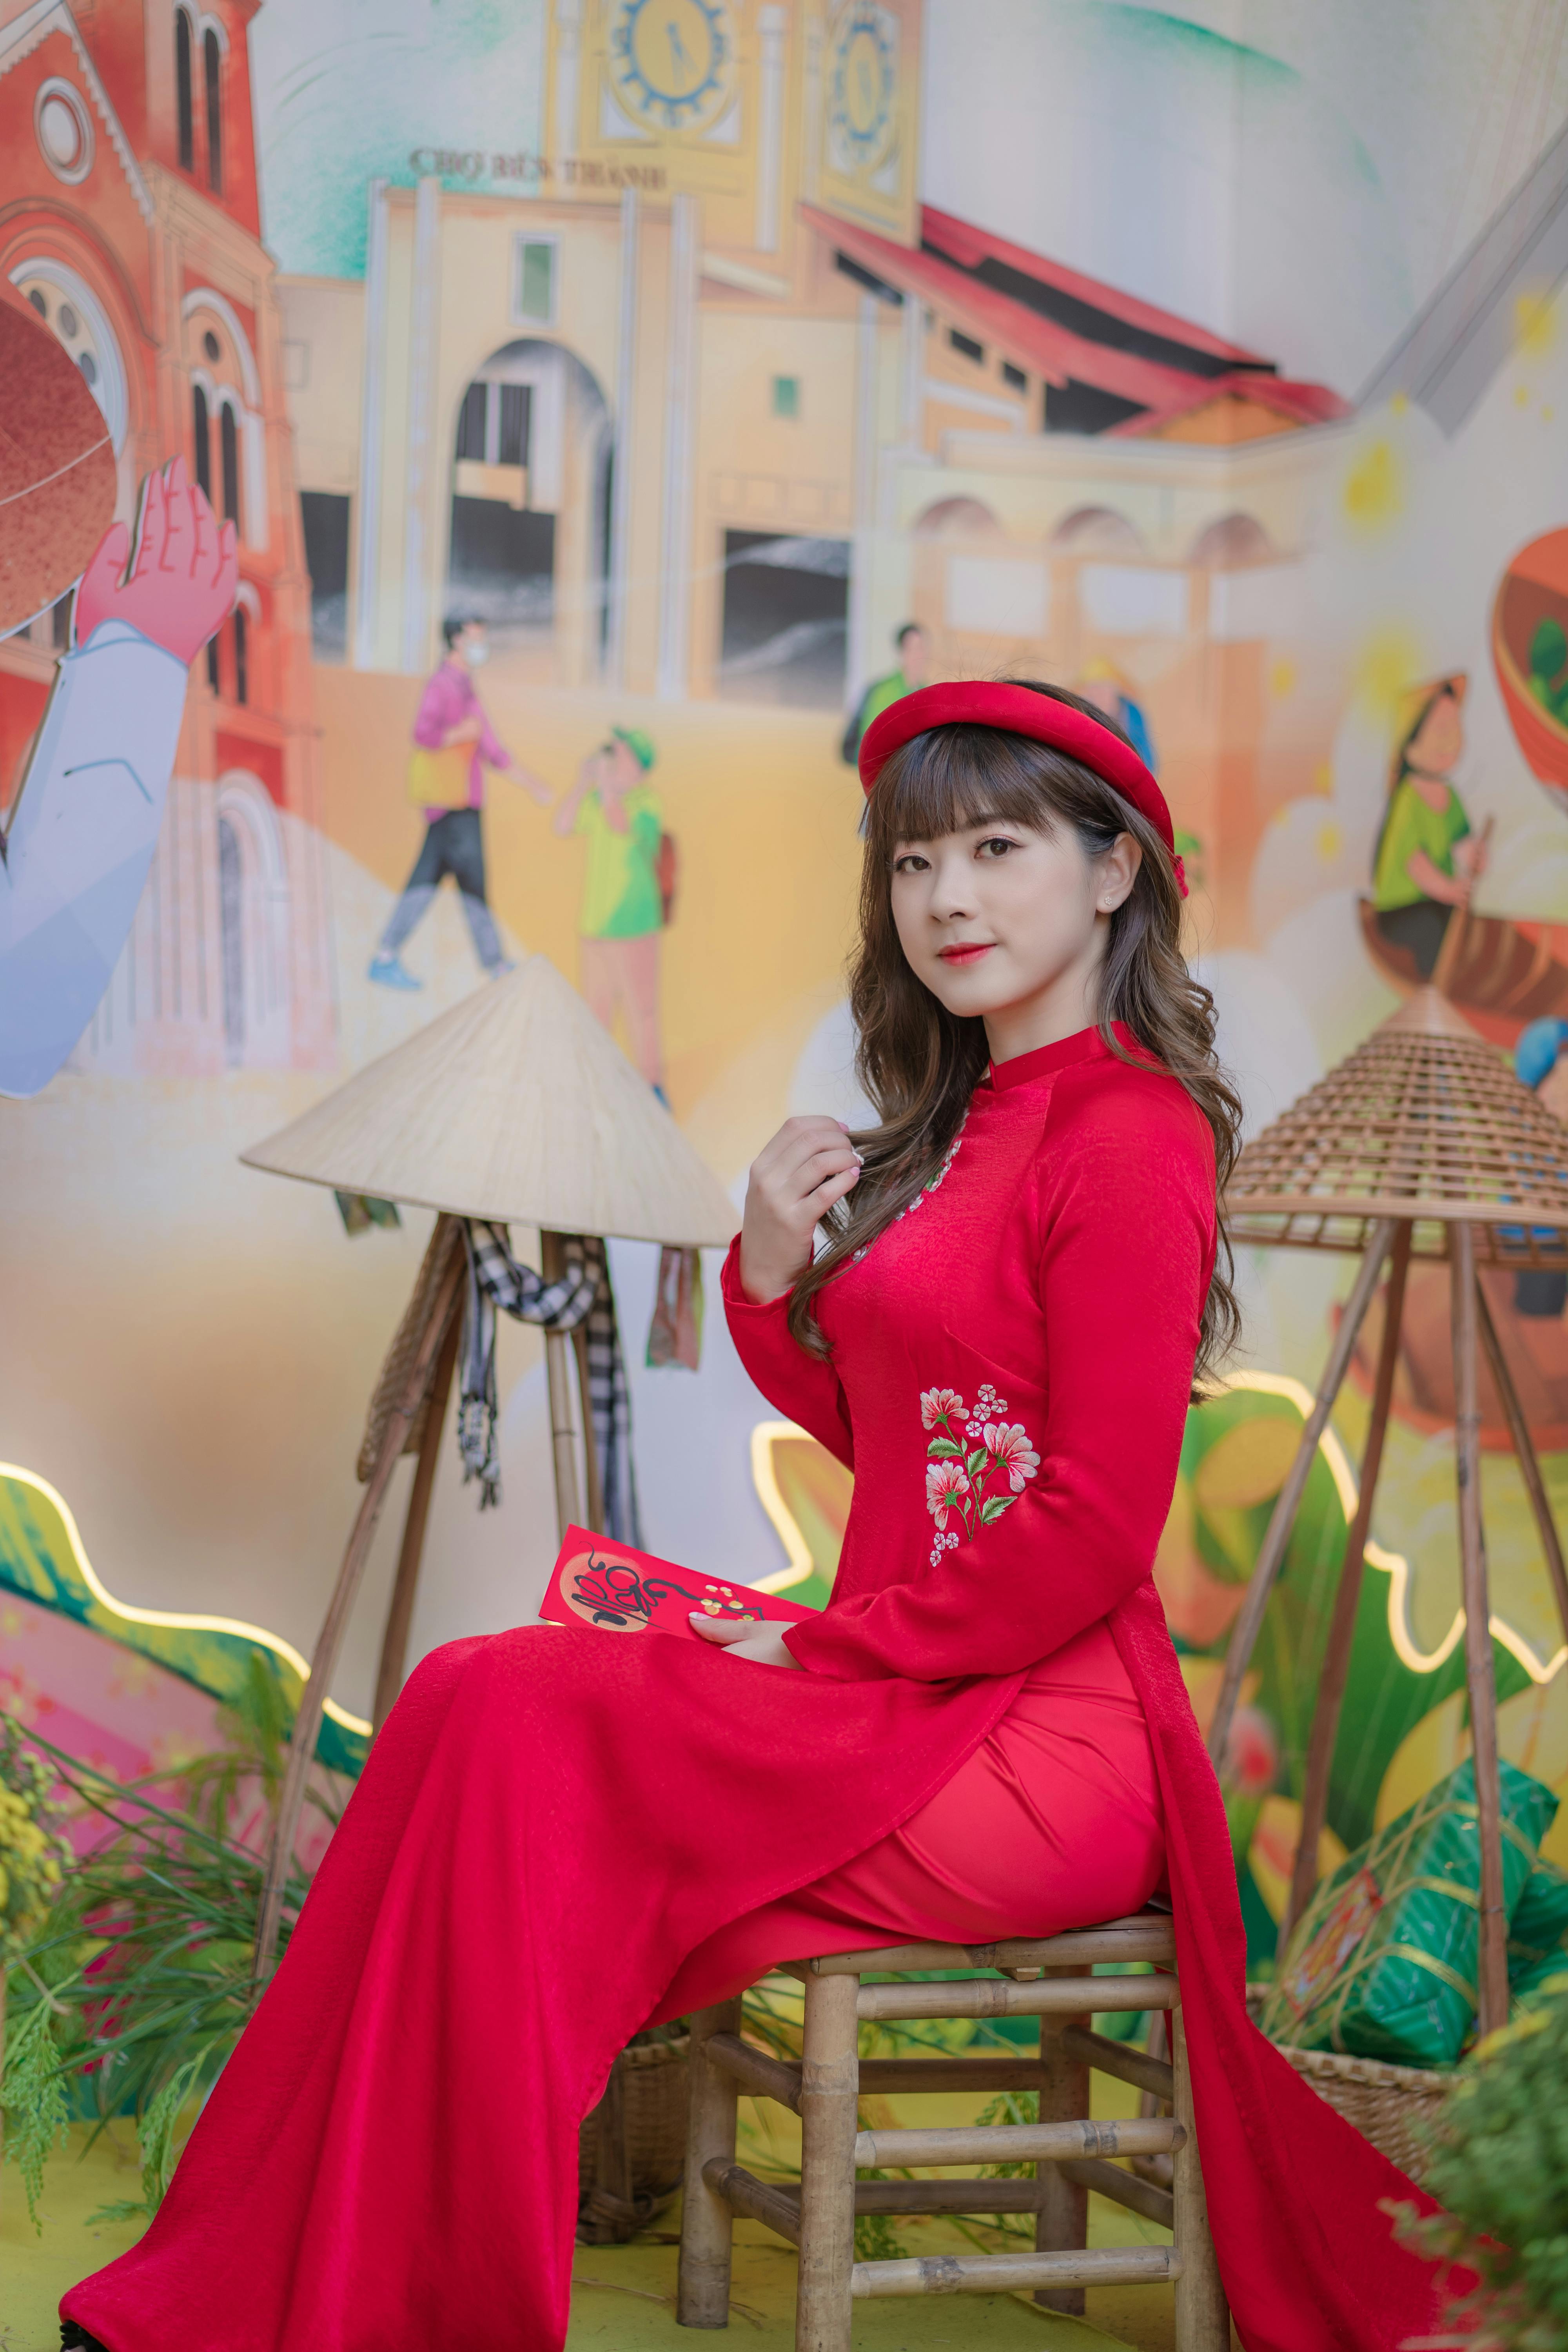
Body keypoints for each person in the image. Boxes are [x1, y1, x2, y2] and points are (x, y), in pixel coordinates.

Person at [61, 680, 1445, 2352]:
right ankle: (280, 2282)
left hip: (1037, 1736)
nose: (944, 896)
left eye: (996, 847)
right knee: (459, 1706)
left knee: (503, 1710)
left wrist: (827, 1644)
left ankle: (381, 2300)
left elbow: (1085, 1523)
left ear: (1111, 871)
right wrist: (771, 1278)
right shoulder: (945, 1133)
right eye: (915, 858)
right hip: (914, 1688)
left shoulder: (1129, 1130)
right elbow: (912, 1444)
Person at [369, 617, 551, 989]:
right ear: (455, 640)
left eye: (483, 638)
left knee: (426, 880)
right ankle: (496, 965)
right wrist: (460, 733)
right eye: (474, 638)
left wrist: (531, 783)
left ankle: (386, 955)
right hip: (454, 805)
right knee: (472, 884)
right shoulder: (443, 685)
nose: (480, 645)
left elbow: (492, 750)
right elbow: (424, 733)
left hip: (453, 804)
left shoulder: (466, 687)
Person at [552, 724, 667, 1096]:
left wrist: (603, 788)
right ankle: (593, 1085)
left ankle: (653, 1088)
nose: (611, 761)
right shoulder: (597, 798)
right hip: (596, 926)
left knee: (641, 1011)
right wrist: (583, 783)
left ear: (636, 765)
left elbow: (621, 826)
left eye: (617, 755)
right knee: (596, 1012)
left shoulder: (647, 801)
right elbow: (563, 825)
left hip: (633, 926)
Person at [1370, 674, 1487, 980]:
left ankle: (1456, 980)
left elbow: (1461, 840)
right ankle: (1433, 988)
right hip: (1400, 907)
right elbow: (1416, 864)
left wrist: (1475, 856)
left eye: (1454, 727)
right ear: (1410, 747)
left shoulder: (1448, 794)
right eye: (1440, 729)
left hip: (1436, 899)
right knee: (1431, 929)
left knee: (1464, 928)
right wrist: (1449, 889)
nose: (1450, 739)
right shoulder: (1408, 797)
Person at [839, 617, 930, 763]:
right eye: (913, 649)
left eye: (922, 648)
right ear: (902, 652)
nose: (919, 655)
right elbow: (870, 744)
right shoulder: (882, 691)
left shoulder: (928, 693)